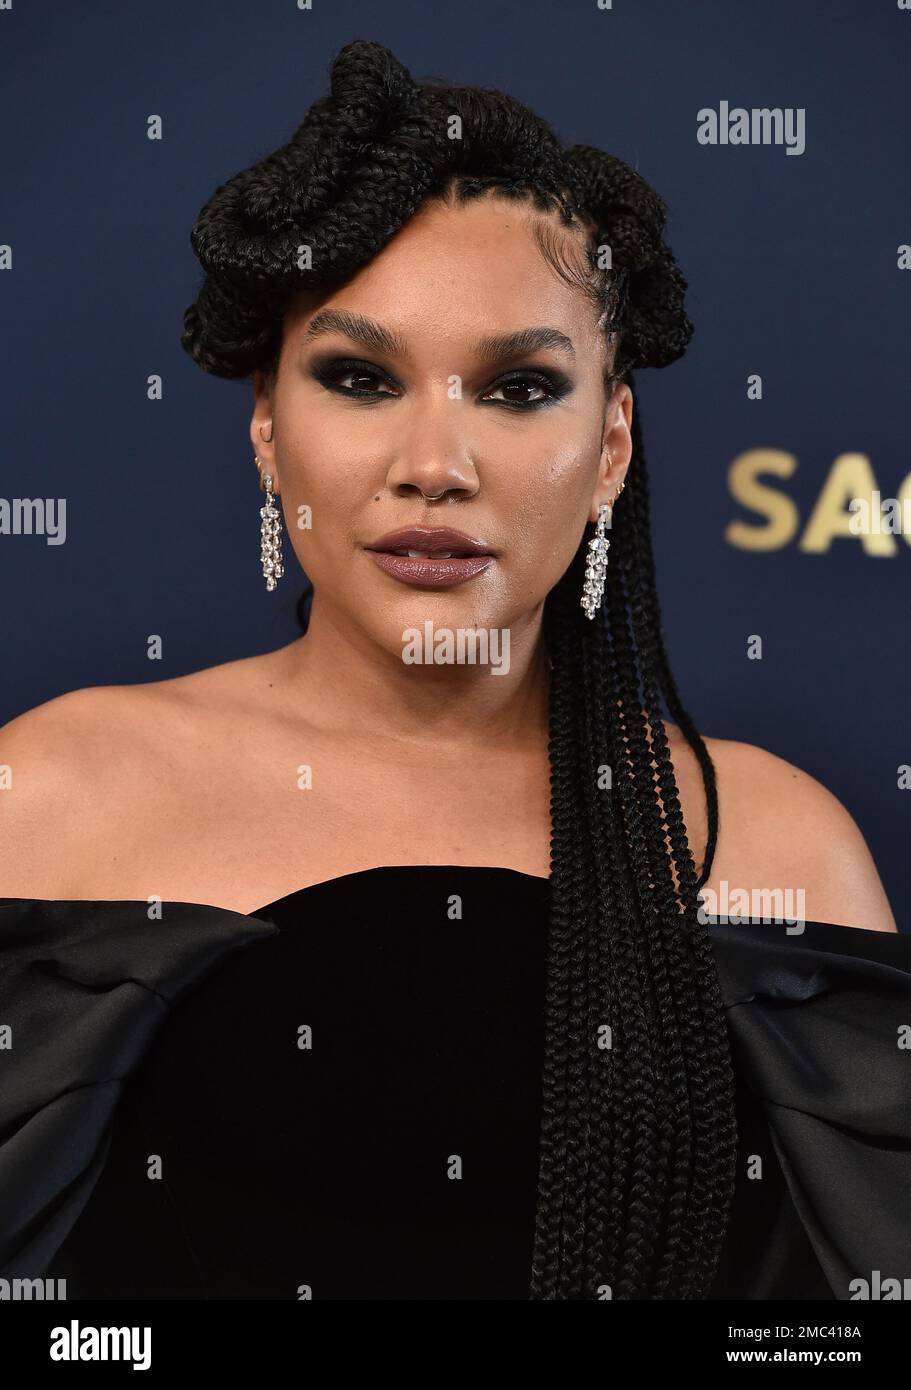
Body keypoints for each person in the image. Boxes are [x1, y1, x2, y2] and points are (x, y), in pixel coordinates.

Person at [0, 38, 908, 1302]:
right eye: (359, 378)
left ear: (609, 447)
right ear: (267, 423)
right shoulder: (45, 794)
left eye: (519, 387)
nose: (435, 462)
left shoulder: (770, 841)